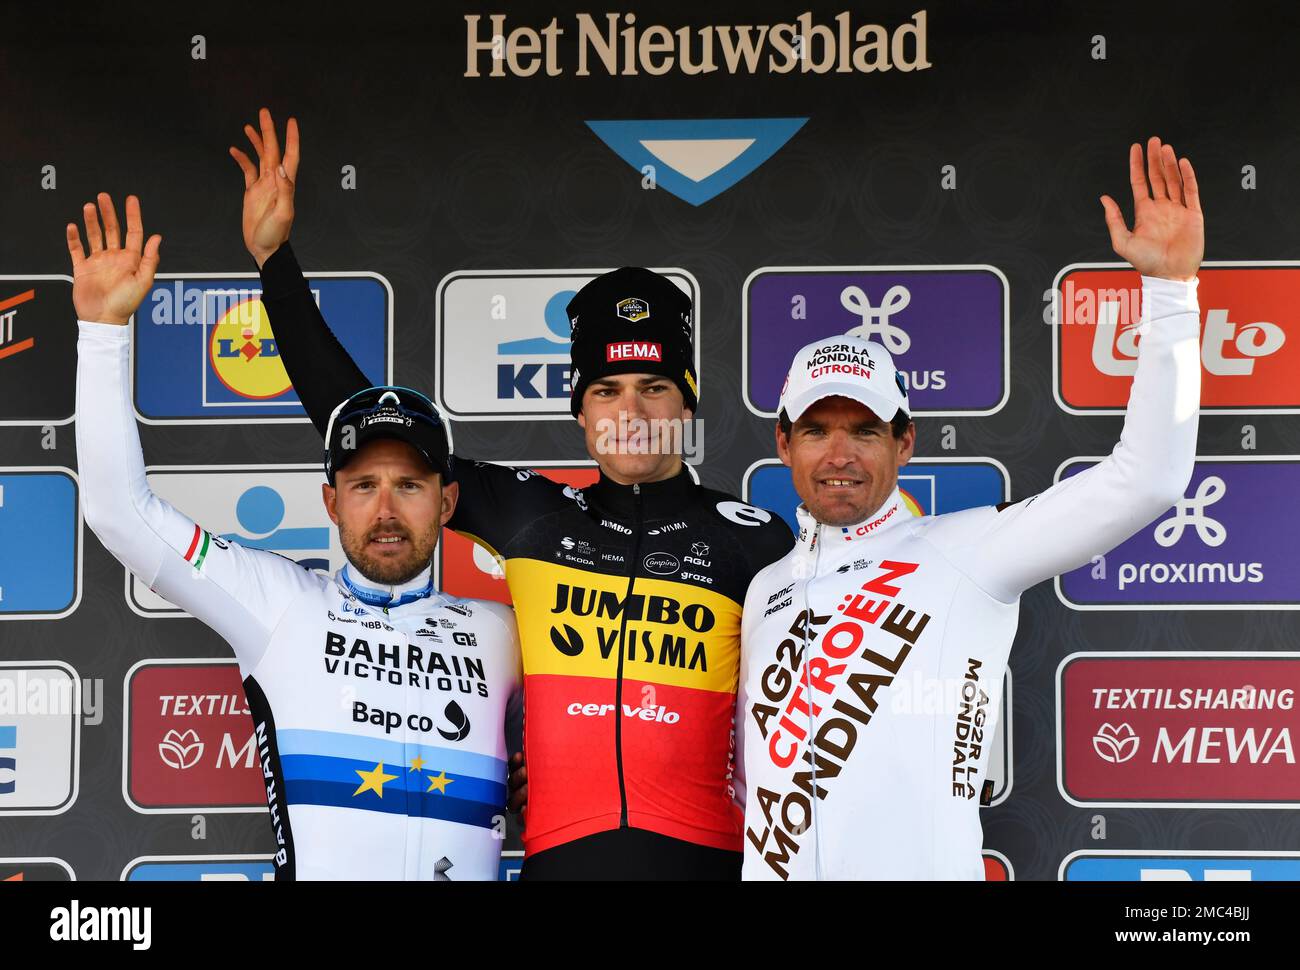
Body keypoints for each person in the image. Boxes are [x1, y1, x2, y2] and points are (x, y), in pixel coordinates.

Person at [230, 109, 795, 879]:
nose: (631, 414)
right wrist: (275, 265)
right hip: (560, 861)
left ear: (688, 403)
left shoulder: (759, 538)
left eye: (655, 388)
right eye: (607, 390)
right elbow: (362, 420)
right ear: (580, 409)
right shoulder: (535, 513)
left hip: (710, 862)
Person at [734, 137, 1204, 879]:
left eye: (864, 429)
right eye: (817, 430)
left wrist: (1172, 294)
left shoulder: (968, 551)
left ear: (905, 443)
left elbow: (1146, 478)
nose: (841, 454)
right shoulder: (763, 592)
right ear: (784, 442)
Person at [69, 192, 522, 880]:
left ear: (448, 500)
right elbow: (119, 513)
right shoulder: (279, 603)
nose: (387, 510)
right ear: (331, 503)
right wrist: (103, 333)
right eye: (364, 486)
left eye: (410, 485)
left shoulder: (506, 631)